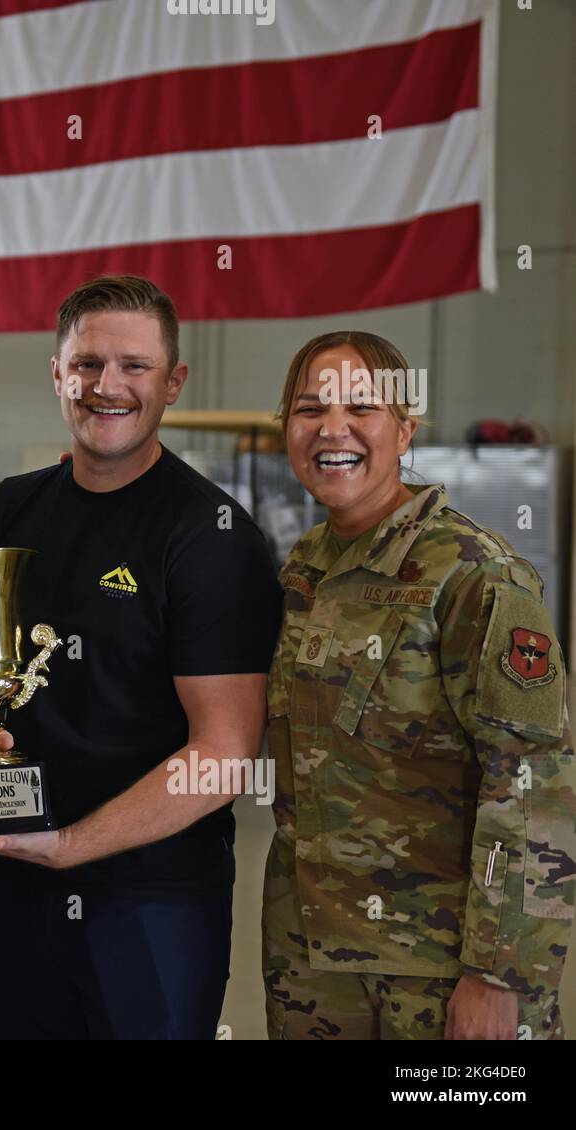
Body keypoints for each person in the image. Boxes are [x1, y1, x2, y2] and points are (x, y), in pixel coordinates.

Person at [0, 275, 281, 1039]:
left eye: (134, 366)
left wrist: (73, 846)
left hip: (152, 906)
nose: (106, 386)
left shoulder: (210, 534)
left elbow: (225, 753)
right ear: (56, 372)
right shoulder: (6, 510)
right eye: (85, 364)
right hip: (16, 886)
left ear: (173, 382)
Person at [262, 330, 576, 1040]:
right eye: (309, 408)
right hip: (314, 962)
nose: (331, 429)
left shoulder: (474, 574)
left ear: (404, 431)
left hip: (438, 972)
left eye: (361, 408)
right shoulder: (305, 567)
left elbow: (533, 787)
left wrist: (498, 974)